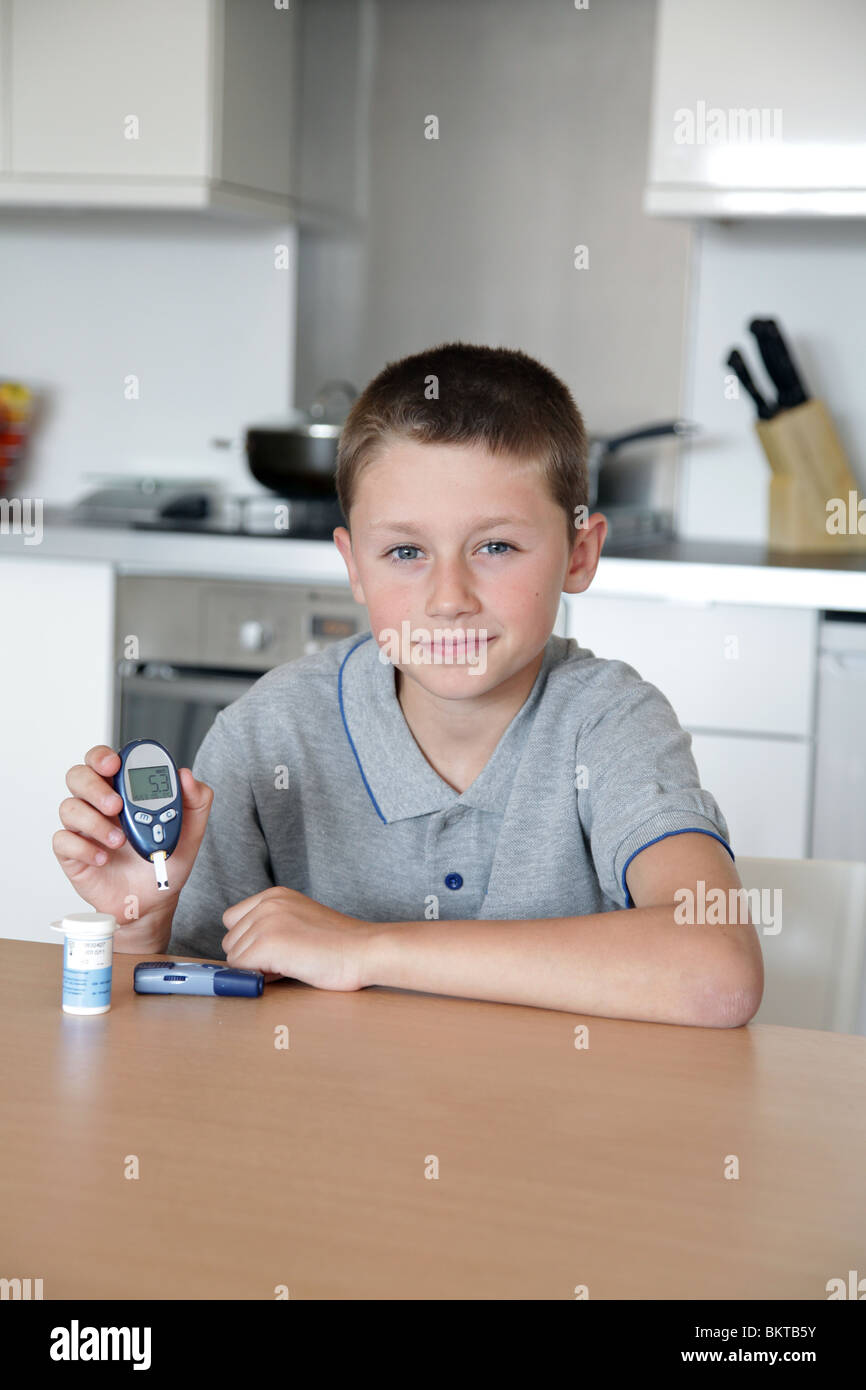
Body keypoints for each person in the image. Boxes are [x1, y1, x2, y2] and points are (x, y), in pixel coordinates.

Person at [53, 341, 763, 1025]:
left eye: (495, 546)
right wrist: (141, 928)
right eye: (405, 551)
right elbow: (183, 1022)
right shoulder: (268, 732)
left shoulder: (610, 722)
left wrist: (366, 947)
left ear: (579, 554)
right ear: (354, 565)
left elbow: (719, 972)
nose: (448, 596)